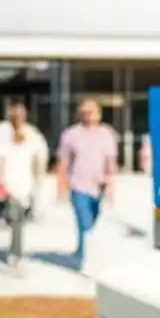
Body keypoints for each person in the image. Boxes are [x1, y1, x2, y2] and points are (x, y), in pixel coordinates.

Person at [57, 99, 118, 265]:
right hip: (78, 185)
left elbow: (111, 162)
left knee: (92, 220)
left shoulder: (107, 134)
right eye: (84, 113)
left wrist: (111, 186)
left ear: (98, 114)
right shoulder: (71, 135)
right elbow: (63, 163)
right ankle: (86, 259)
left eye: (91, 112)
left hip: (98, 186)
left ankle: (81, 249)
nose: (88, 116)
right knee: (85, 221)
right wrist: (61, 186)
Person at [0, 123, 46, 273]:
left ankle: (15, 252)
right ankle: (16, 254)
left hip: (25, 189)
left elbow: (38, 164)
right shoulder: (6, 149)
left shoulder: (29, 149)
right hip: (10, 189)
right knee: (17, 223)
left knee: (19, 222)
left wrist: (38, 182)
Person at [0, 101, 48, 224]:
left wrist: (40, 173)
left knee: (23, 200)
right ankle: (4, 212)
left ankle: (22, 214)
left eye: (20, 115)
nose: (17, 118)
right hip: (7, 172)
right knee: (7, 197)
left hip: (25, 173)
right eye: (14, 115)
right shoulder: (1, 130)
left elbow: (40, 153)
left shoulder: (32, 132)